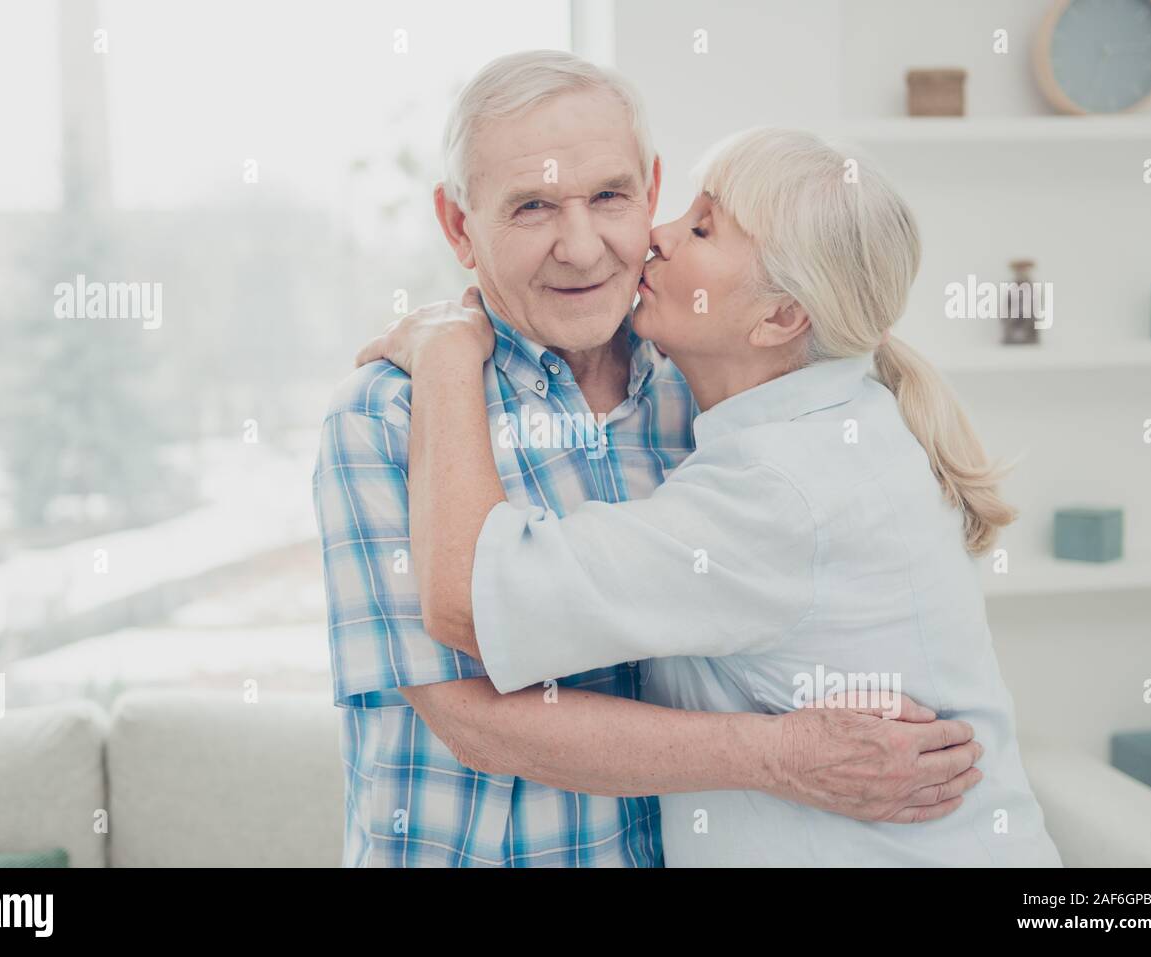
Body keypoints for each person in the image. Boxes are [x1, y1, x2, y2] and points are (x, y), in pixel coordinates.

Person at [315, 51, 980, 868]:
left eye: (609, 197)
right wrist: (789, 755)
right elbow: (477, 720)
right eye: (532, 207)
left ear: (651, 189)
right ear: (460, 226)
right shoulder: (390, 416)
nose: (583, 247)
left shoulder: (711, 393)